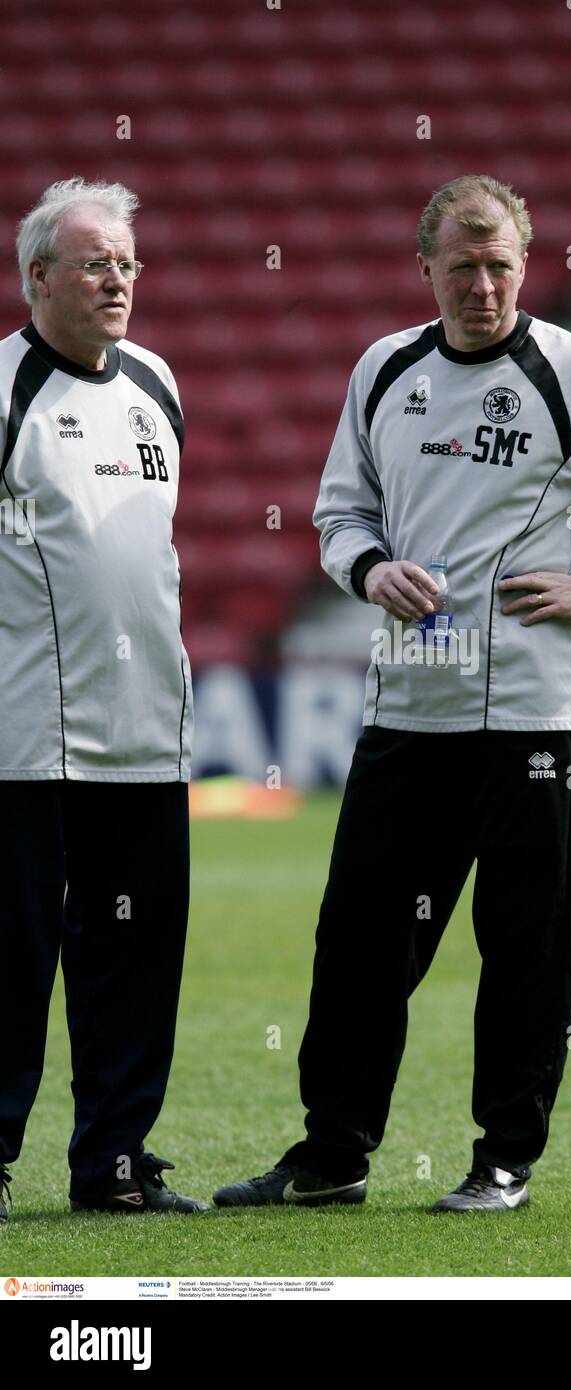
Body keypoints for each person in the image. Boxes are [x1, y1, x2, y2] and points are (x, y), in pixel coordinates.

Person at [213, 173, 571, 1215]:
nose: (482, 284)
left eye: (499, 263)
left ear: (525, 265)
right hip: (408, 710)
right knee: (359, 944)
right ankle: (332, 1156)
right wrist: (368, 569)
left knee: (526, 952)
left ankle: (502, 1160)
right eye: (460, 265)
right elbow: (337, 511)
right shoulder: (384, 369)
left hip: (532, 723)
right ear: (426, 269)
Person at [0, 177, 208, 1220]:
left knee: (133, 959)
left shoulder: (158, 386)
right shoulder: (1, 391)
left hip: (143, 737)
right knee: (10, 959)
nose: (117, 278)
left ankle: (114, 1164)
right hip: (24, 742)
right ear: (39, 278)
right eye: (94, 262)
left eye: (125, 261)